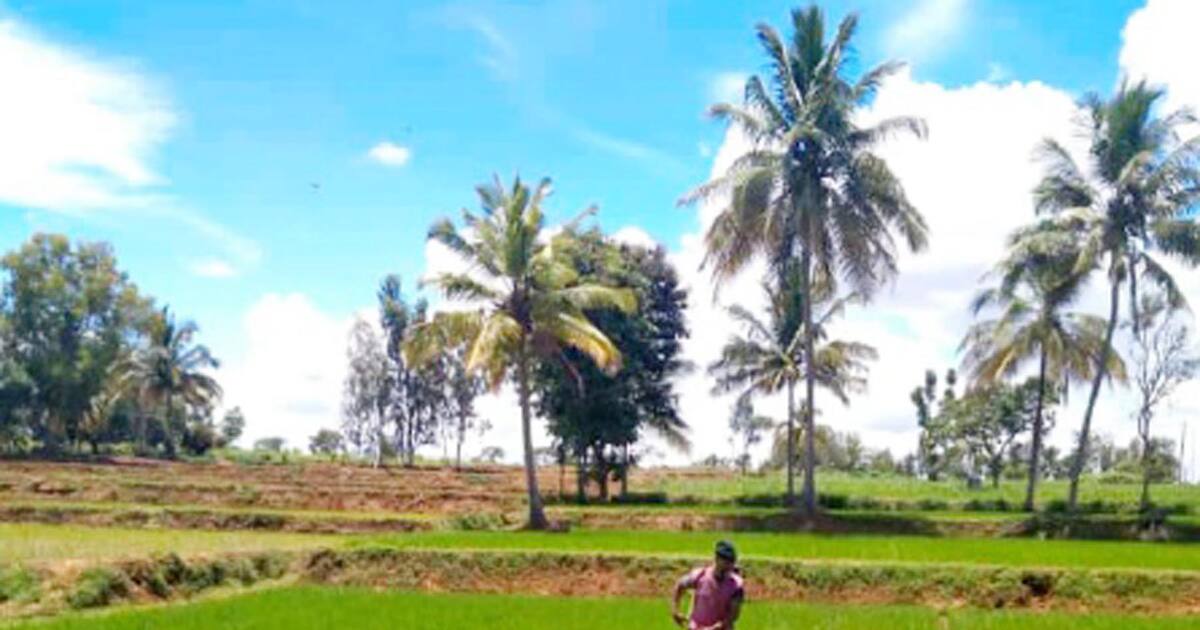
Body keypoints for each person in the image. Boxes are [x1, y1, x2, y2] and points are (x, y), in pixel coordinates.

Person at [671, 540, 744, 630]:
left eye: (731, 562)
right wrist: (675, 610)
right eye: (726, 562)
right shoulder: (699, 576)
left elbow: (734, 615)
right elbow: (680, 585)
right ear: (717, 559)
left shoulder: (736, 586)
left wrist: (719, 626)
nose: (729, 566)